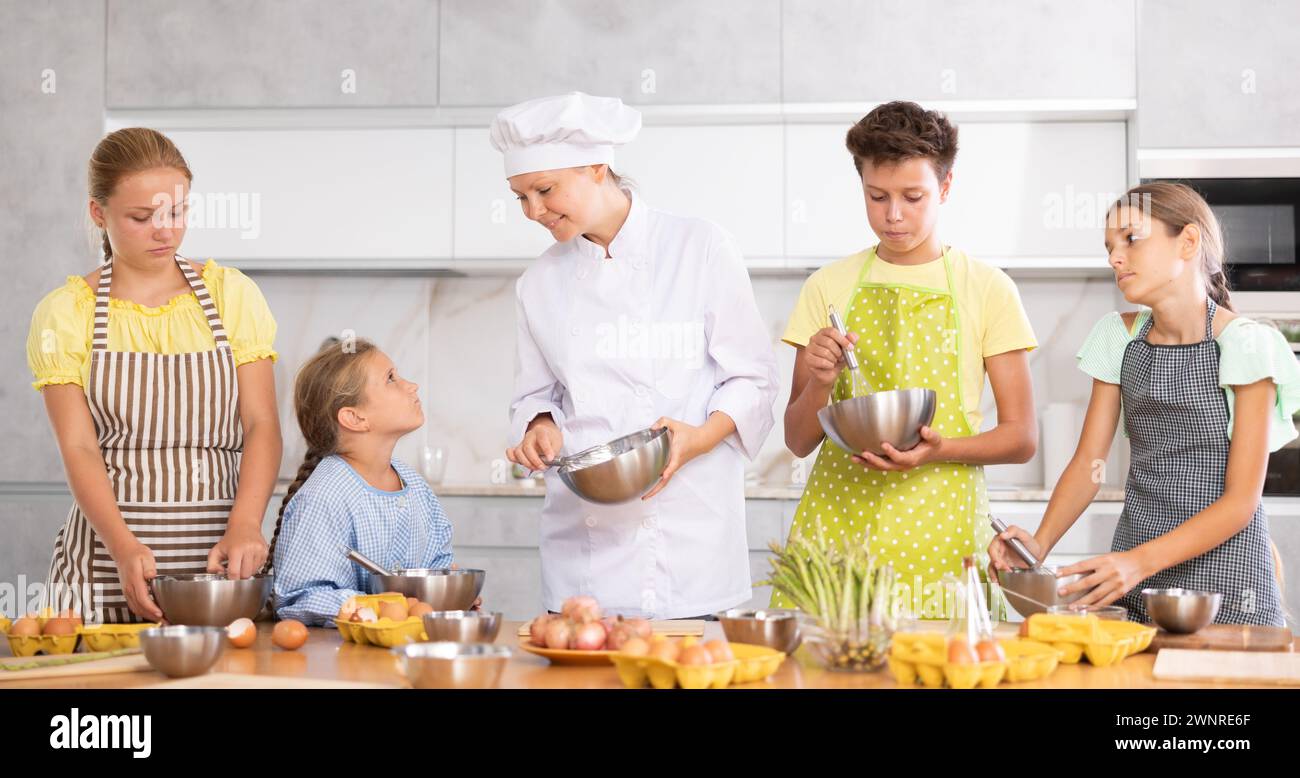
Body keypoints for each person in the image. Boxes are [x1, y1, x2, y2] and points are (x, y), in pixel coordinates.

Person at [496, 92, 779, 619]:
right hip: (583, 556)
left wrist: (697, 439)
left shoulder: (700, 248)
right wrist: (538, 426)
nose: (534, 211)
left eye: (544, 189)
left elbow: (754, 380)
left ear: (597, 168)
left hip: (691, 546)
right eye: (520, 198)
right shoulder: (538, 283)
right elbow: (535, 397)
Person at [991, 182, 1298, 626]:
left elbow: (1240, 503)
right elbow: (1088, 466)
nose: (1116, 257)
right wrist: (1038, 544)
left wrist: (1136, 562)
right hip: (1137, 583)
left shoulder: (1245, 345)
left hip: (1230, 589)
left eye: (1131, 239)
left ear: (1187, 241)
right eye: (1110, 246)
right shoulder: (1118, 337)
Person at [777, 102, 1039, 618]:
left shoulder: (988, 289)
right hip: (839, 536)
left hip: (944, 537)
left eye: (912, 197)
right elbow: (798, 438)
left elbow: (1022, 437)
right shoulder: (827, 286)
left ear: (944, 188)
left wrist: (936, 451)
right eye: (877, 197)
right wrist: (821, 383)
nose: (893, 215)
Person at [28, 128, 281, 623]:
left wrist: (247, 523)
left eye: (176, 212)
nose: (164, 231)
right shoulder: (65, 313)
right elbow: (78, 447)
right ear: (99, 214)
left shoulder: (233, 296)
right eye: (142, 218)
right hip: (103, 566)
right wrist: (123, 548)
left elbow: (262, 426)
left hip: (219, 568)